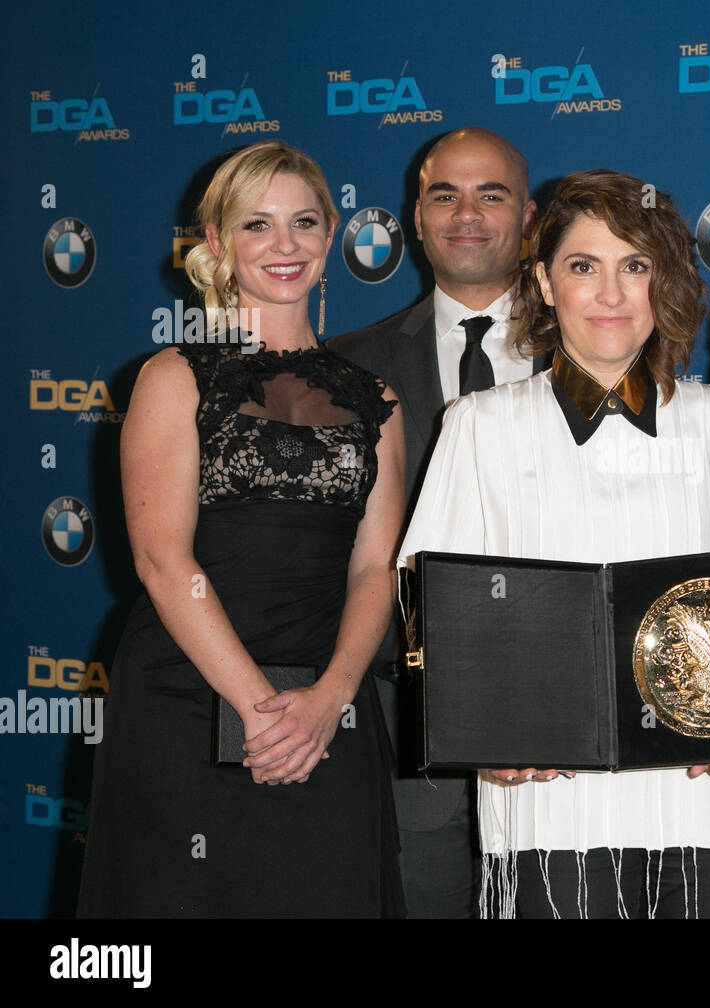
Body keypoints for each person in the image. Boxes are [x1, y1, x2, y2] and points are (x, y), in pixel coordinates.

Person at [398, 169, 710, 918]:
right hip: (549, 806)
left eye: (635, 266)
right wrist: (486, 731)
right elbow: (427, 597)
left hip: (705, 799)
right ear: (544, 282)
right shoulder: (480, 425)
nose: (611, 294)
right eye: (584, 267)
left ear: (663, 280)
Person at [78, 141, 405, 917]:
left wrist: (330, 698)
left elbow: (376, 569)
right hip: (188, 706)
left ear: (331, 235)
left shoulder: (375, 398)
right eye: (257, 225)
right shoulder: (174, 377)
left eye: (302, 223)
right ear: (219, 244)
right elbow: (164, 562)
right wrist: (264, 710)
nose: (283, 245)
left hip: (329, 713)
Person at [330, 127, 544, 917]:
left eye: (491, 193)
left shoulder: (599, 356)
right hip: (400, 736)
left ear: (527, 215)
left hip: (555, 725)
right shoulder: (348, 369)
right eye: (444, 194)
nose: (467, 213)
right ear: (415, 218)